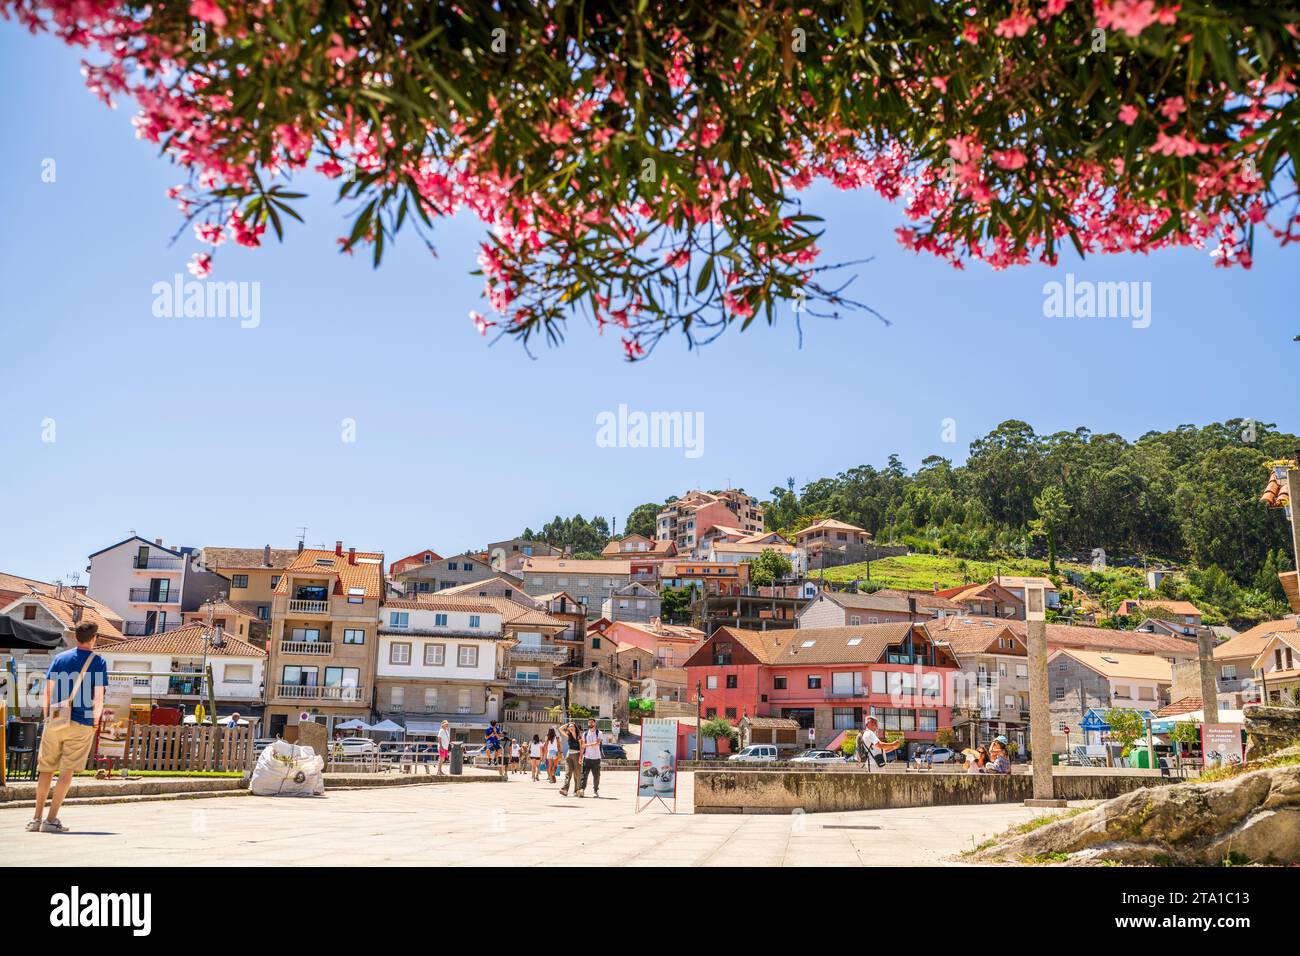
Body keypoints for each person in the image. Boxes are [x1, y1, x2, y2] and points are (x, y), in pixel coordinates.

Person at [28, 622, 108, 833]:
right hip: (81, 721)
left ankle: (36, 818)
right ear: (94, 638)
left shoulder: (59, 658)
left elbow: (47, 692)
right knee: (66, 771)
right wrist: (96, 721)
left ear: (76, 637)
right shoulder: (98, 661)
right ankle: (51, 820)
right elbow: (98, 697)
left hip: (55, 719)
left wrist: (48, 717)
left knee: (45, 769)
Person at [578, 717, 602, 797]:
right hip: (587, 758)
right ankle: (582, 790)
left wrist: (587, 745)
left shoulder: (599, 733)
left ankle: (596, 790)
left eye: (592, 722)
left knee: (596, 776)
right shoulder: (585, 734)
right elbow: (582, 746)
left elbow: (597, 743)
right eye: (589, 723)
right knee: (584, 775)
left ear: (595, 723)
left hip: (596, 758)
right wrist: (580, 757)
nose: (590, 724)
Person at [558, 721, 583, 796]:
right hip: (569, 755)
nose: (570, 728)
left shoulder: (579, 736)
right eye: (569, 727)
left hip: (577, 754)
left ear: (575, 728)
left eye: (572, 726)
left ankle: (577, 790)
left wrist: (581, 758)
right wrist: (568, 724)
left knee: (577, 774)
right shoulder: (568, 735)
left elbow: (581, 748)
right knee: (568, 773)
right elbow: (560, 729)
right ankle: (565, 789)